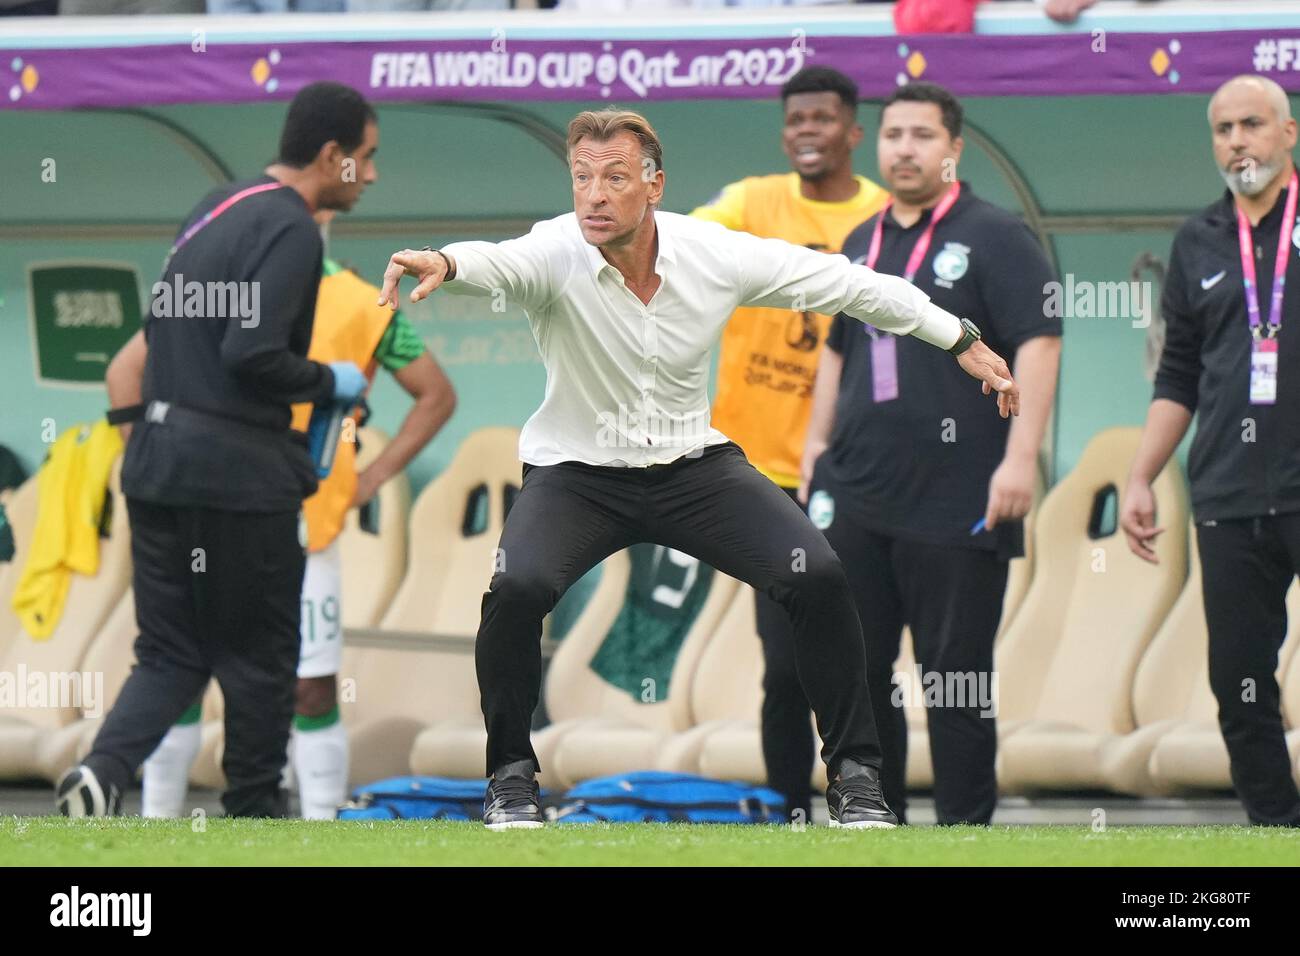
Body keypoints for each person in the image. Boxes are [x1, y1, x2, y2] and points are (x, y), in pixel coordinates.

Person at [378, 107, 1021, 830]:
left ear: (653, 185)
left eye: (614, 177)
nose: (593, 195)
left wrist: (957, 336)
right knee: (518, 586)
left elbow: (845, 284)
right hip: (577, 475)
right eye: (581, 177)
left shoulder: (712, 253)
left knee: (818, 573)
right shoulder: (554, 251)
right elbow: (498, 260)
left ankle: (857, 779)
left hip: (693, 468)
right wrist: (448, 263)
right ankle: (510, 779)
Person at [56, 82, 378, 819]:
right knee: (260, 657)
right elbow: (253, 353)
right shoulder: (294, 228)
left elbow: (157, 341)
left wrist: (154, 433)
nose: (372, 174)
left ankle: (100, 776)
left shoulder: (212, 210)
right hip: (238, 480)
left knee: (170, 654)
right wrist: (333, 379)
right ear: (332, 158)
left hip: (158, 470)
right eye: (367, 158)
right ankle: (255, 811)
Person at [116, 208, 457, 820]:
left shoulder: (362, 301)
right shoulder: (220, 288)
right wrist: (149, 463)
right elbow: (127, 369)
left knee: (307, 682)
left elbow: (436, 394)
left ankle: (320, 830)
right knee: (188, 672)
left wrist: (370, 478)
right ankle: (156, 827)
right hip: (215, 507)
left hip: (304, 522)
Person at [801, 82, 1061, 825]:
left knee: (955, 679)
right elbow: (838, 351)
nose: (904, 149)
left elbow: (1041, 345)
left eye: (921, 135)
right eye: (892, 136)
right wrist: (815, 446)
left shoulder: (996, 235)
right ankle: (877, 825)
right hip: (856, 493)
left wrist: (1020, 461)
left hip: (961, 496)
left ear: (954, 150)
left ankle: (965, 834)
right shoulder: (862, 240)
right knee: (859, 671)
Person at [689, 66, 890, 821]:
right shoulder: (746, 203)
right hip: (758, 472)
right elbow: (675, 239)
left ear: (852, 132)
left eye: (822, 119)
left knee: (854, 653)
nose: (807, 130)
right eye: (795, 119)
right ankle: (785, 812)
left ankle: (868, 800)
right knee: (782, 665)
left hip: (850, 468)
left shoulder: (878, 219)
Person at [1121, 74, 1300, 827]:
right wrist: (1140, 476)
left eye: (1252, 125)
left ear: (1288, 133)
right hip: (1227, 491)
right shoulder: (1197, 239)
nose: (1237, 141)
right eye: (1223, 129)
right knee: (1239, 679)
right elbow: (1179, 374)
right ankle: (1274, 832)